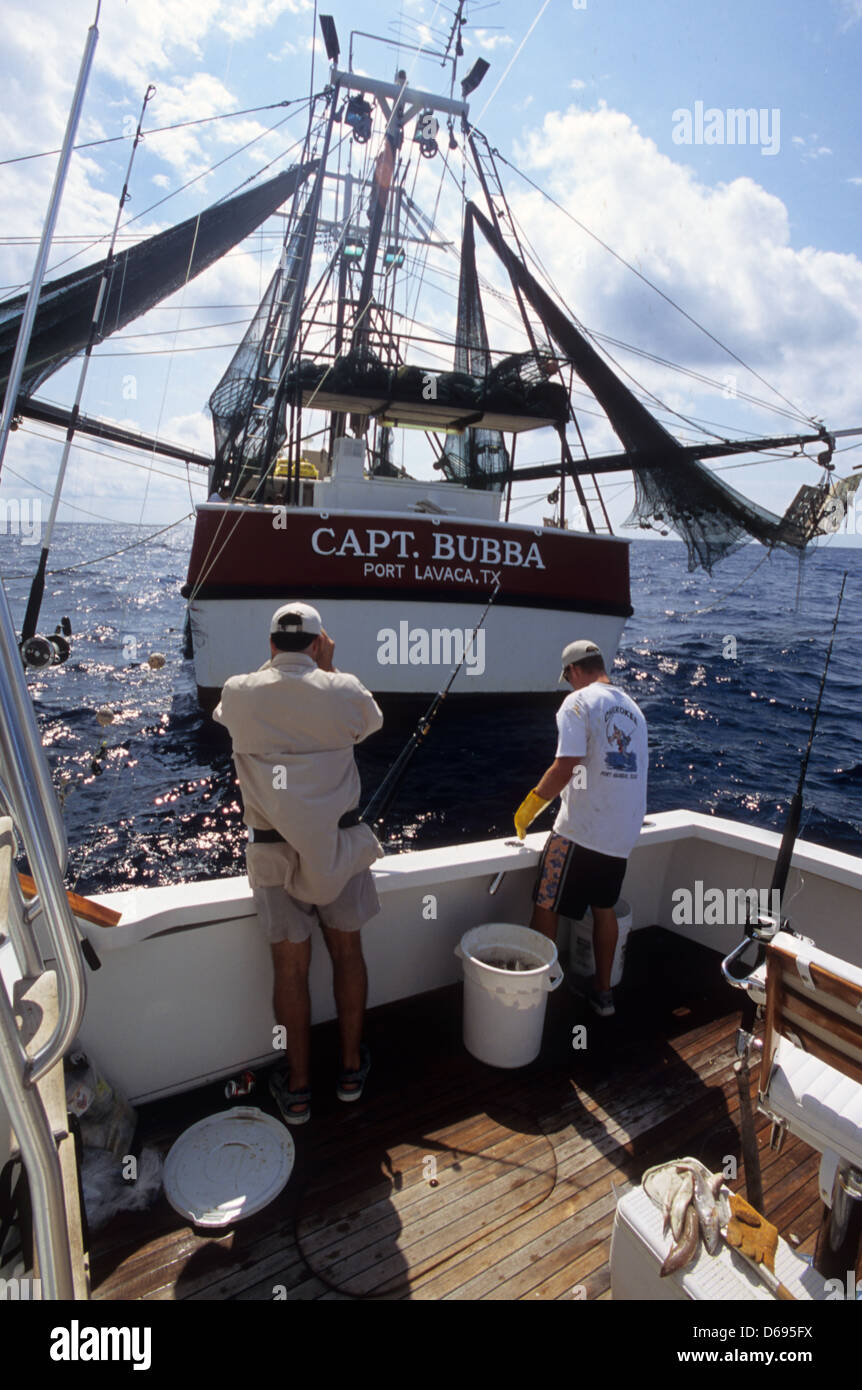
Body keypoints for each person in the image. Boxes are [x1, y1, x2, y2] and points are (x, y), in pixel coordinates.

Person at [213, 602, 383, 1124]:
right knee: (347, 953)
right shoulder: (345, 687)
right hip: (338, 849)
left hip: (272, 851)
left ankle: (301, 1086)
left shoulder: (237, 691)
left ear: (270, 646)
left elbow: (230, 716)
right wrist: (328, 672)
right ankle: (351, 1070)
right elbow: (370, 723)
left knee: (289, 968)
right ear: (318, 644)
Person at [514, 639, 648, 1017]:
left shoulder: (577, 702)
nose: (569, 684)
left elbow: (566, 764)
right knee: (604, 909)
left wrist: (529, 808)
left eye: (568, 677)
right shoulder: (634, 710)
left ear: (574, 670)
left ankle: (536, 992)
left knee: (546, 901)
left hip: (579, 832)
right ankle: (603, 994)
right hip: (620, 837)